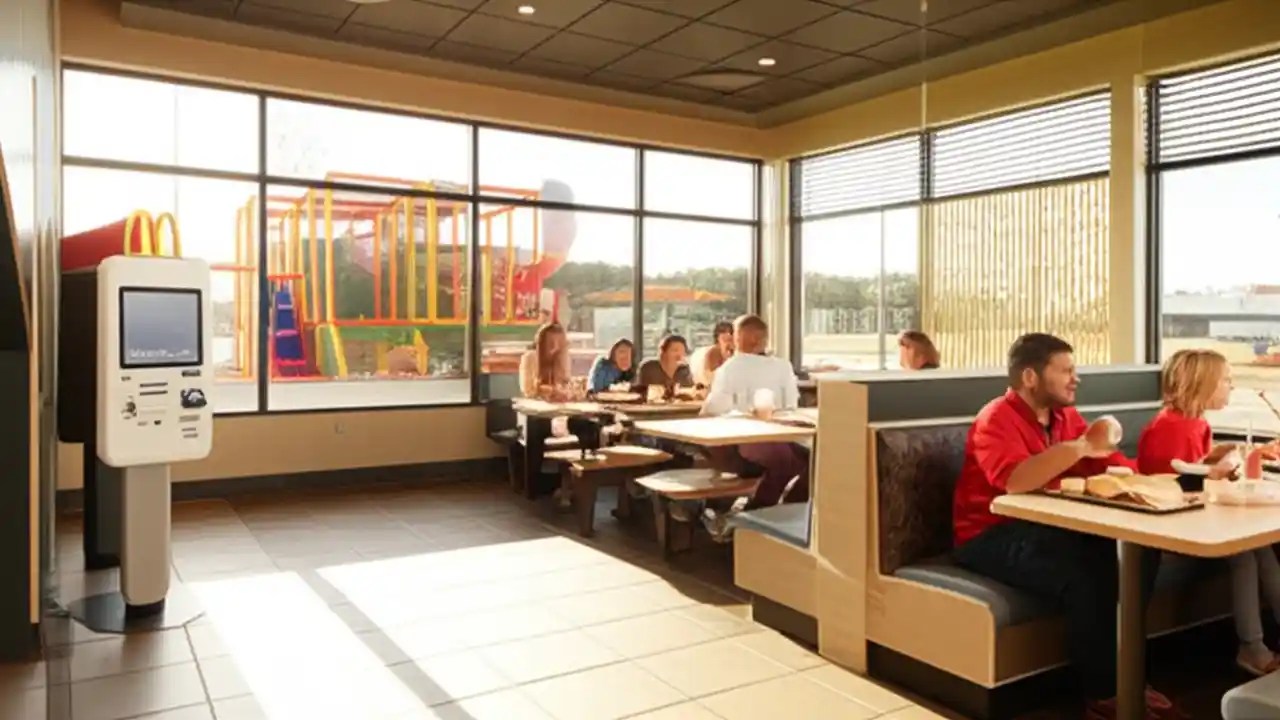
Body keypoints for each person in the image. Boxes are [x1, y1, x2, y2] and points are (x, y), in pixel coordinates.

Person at [952, 333, 1176, 720]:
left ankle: (1128, 679)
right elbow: (1015, 481)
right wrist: (1081, 447)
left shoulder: (1064, 417)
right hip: (989, 533)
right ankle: (1104, 695)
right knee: (1085, 572)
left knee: (1138, 552)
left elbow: (1105, 460)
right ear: (1030, 377)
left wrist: (1151, 482)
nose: (1076, 379)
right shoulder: (995, 419)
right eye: (1066, 371)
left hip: (1043, 528)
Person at [1137, 349, 1280, 675]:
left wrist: (1220, 456)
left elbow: (1195, 468)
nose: (1231, 386)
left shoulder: (1194, 423)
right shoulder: (1171, 427)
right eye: (1225, 380)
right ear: (1200, 385)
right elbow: (1175, 480)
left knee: (1262, 548)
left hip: (1193, 517)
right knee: (1244, 556)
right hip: (1168, 525)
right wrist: (1215, 468)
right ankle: (1252, 647)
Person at [702, 315, 806, 513]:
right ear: (763, 340)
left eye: (734, 334)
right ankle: (781, 510)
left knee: (786, 460)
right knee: (809, 461)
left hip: (747, 441)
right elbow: (791, 405)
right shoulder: (783, 366)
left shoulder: (729, 368)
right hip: (780, 436)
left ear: (741, 337)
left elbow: (713, 410)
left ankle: (758, 512)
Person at [519, 322, 572, 400]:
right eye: (551, 343)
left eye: (560, 342)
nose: (556, 347)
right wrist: (553, 391)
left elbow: (566, 383)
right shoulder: (530, 357)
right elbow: (528, 389)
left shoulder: (563, 358)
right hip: (535, 404)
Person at [692, 321, 735, 387]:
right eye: (725, 339)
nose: (728, 342)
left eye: (730, 339)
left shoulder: (734, 352)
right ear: (718, 338)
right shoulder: (713, 352)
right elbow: (709, 377)